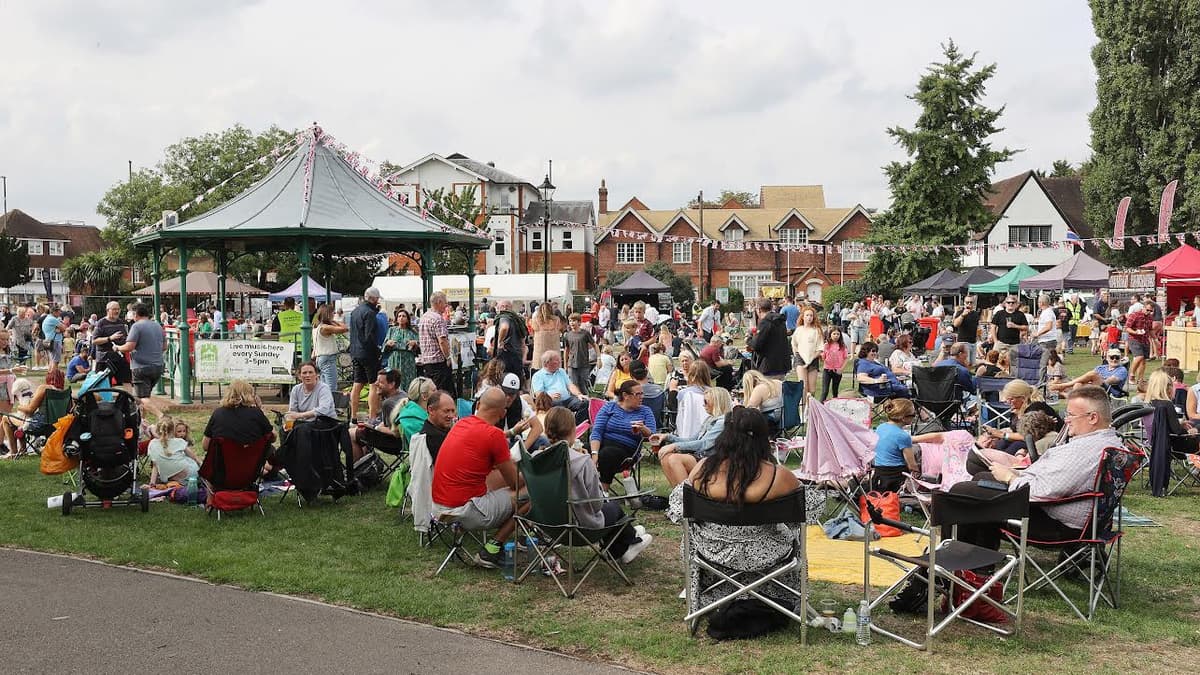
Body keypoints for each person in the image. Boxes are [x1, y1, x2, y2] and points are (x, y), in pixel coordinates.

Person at [953, 386, 1123, 551]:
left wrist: (1010, 477)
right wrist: (1018, 473)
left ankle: (956, 560)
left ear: (1092, 418)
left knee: (961, 493)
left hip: (1056, 524)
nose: (1066, 420)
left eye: (1071, 415)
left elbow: (1040, 491)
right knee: (982, 479)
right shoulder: (1109, 443)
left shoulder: (1085, 451)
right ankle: (980, 558)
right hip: (1072, 516)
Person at [665, 407, 802, 607]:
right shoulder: (780, 476)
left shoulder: (703, 470)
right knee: (794, 533)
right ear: (763, 438)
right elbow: (808, 510)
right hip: (765, 554)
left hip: (711, 552)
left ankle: (713, 590)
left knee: (691, 532)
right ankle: (773, 593)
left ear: (725, 436)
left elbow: (679, 509)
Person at [539, 407, 652, 564]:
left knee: (608, 509)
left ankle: (627, 537)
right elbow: (596, 504)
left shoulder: (537, 458)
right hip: (579, 528)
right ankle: (627, 544)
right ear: (573, 430)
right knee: (612, 507)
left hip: (547, 524)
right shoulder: (582, 461)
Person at [431, 386, 527, 569]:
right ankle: (492, 549)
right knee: (532, 490)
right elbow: (515, 483)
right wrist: (530, 473)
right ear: (503, 413)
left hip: (438, 506)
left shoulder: (461, 424)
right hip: (465, 511)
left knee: (499, 477)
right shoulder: (494, 435)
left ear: (478, 405)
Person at [652, 387, 733, 487]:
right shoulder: (710, 419)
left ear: (717, 402)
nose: (703, 405)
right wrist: (667, 437)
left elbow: (704, 444)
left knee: (674, 459)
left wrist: (675, 446)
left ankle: (687, 493)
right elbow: (693, 439)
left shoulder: (722, 422)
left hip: (712, 461)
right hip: (701, 457)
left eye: (706, 401)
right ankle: (678, 493)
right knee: (665, 457)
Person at [590, 379, 657, 491]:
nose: (642, 397)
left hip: (627, 450)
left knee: (607, 454)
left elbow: (653, 436)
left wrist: (643, 429)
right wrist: (594, 453)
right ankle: (579, 490)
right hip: (602, 444)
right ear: (625, 395)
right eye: (638, 394)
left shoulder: (645, 411)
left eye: (642, 393)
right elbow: (597, 431)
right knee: (580, 452)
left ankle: (603, 492)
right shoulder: (609, 407)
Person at [114, 302, 165, 417]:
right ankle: (142, 420)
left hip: (141, 367)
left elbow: (129, 347)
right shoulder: (158, 326)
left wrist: (117, 348)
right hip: (158, 366)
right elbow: (164, 346)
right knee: (146, 396)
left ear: (136, 314)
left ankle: (162, 416)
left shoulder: (136, 326)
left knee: (142, 398)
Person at [872, 399, 934, 492]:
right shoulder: (903, 436)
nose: (915, 417)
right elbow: (912, 465)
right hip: (896, 477)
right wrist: (919, 473)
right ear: (903, 418)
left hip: (879, 474)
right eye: (913, 415)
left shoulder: (880, 427)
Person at [201, 380, 275, 457]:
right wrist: (260, 410)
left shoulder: (217, 414)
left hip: (224, 462)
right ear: (249, 395)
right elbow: (272, 437)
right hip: (250, 461)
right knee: (270, 449)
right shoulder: (256, 413)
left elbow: (205, 445)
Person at [349, 369, 408, 462]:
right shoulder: (403, 395)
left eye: (380, 382)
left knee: (350, 434)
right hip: (405, 442)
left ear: (392, 384)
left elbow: (394, 431)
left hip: (396, 444)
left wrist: (374, 427)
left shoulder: (389, 403)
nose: (376, 383)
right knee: (361, 432)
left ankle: (360, 467)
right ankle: (368, 464)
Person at [348, 287, 383, 421]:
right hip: (368, 353)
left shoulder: (355, 311)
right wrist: (377, 351)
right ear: (374, 299)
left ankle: (353, 416)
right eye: (377, 299)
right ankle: (372, 416)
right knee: (373, 384)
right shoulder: (370, 313)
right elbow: (369, 336)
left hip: (355, 352)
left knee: (357, 383)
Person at [531, 350, 589, 424]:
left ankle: (576, 425)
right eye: (556, 361)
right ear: (547, 363)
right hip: (552, 402)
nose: (560, 362)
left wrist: (579, 394)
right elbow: (539, 394)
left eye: (559, 360)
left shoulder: (561, 371)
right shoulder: (538, 376)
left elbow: (570, 385)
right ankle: (565, 427)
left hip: (567, 399)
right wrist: (549, 397)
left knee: (584, 403)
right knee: (559, 407)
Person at [415, 291, 455, 396]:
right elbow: (442, 341)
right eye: (445, 303)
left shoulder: (424, 317)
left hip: (427, 361)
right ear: (439, 302)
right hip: (438, 362)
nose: (446, 306)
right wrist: (448, 357)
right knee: (441, 394)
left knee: (430, 392)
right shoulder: (438, 319)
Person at [1050, 347, 1129, 397]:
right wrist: (1088, 382)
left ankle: (1064, 386)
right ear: (1107, 358)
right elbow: (1087, 378)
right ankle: (1066, 395)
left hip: (1108, 391)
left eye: (1117, 357)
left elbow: (1109, 381)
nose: (1114, 359)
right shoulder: (1100, 368)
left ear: (1120, 358)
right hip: (1094, 387)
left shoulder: (1122, 369)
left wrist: (1093, 379)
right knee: (1078, 384)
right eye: (1112, 357)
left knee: (1093, 374)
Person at [147, 416, 200, 485]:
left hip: (166, 478)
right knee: (189, 460)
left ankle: (172, 481)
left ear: (157, 430)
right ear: (173, 431)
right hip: (188, 476)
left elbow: (155, 465)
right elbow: (194, 458)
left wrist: (152, 483)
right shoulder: (179, 442)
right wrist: (201, 465)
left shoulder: (152, 444)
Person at [746, 298, 791, 379]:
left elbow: (756, 345)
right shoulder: (780, 321)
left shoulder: (765, 322)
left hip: (768, 366)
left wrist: (748, 339)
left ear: (759, 309)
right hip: (781, 365)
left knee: (767, 387)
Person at [496, 372, 544, 448]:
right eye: (506, 393)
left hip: (514, 444)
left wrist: (523, 449)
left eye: (512, 394)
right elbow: (488, 436)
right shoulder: (492, 402)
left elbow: (538, 427)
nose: (508, 398)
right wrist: (512, 432)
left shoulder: (519, 401)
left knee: (543, 441)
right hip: (496, 445)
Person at [312, 303, 349, 392]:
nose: (334, 314)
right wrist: (334, 321)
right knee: (331, 387)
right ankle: (330, 401)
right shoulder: (325, 328)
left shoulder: (316, 326)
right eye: (333, 313)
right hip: (328, 358)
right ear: (328, 314)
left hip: (320, 357)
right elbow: (345, 328)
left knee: (323, 387)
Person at [491, 299, 528, 383]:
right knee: (517, 381)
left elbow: (504, 327)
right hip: (517, 354)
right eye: (502, 306)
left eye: (505, 306)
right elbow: (523, 339)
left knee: (504, 380)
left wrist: (500, 342)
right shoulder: (517, 319)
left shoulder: (504, 317)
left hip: (506, 353)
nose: (504, 308)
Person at [675, 360, 713, 439]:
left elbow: (680, 416)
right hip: (708, 433)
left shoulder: (683, 393)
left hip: (687, 432)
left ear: (691, 375)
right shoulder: (714, 393)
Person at [790, 305, 822, 399]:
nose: (809, 317)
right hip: (800, 359)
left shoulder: (816, 331)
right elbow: (794, 343)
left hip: (813, 359)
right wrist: (796, 353)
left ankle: (810, 405)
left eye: (811, 315)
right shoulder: (798, 330)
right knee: (803, 386)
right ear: (803, 317)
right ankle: (803, 406)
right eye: (807, 315)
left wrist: (811, 360)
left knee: (812, 390)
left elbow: (820, 348)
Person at [394, 376, 437, 442]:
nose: (438, 393)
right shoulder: (413, 422)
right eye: (434, 390)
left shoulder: (412, 414)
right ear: (424, 396)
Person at [419, 390, 458, 462]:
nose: (451, 416)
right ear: (431, 410)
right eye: (446, 411)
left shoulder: (445, 432)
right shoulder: (431, 439)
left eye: (453, 411)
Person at [990, 294, 1028, 362]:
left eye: (1013, 302)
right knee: (994, 361)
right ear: (1005, 303)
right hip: (1001, 343)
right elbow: (993, 327)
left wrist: (1015, 326)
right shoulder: (999, 313)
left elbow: (1026, 327)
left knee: (1014, 363)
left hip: (1014, 344)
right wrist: (995, 341)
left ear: (1016, 304)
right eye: (1008, 302)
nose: (1010, 304)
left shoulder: (1020, 314)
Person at [1125, 301, 1153, 387]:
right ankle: (1131, 375)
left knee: (1143, 361)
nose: (1149, 312)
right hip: (1134, 338)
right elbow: (1127, 328)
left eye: (1151, 311)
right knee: (1139, 357)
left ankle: (1140, 379)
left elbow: (1150, 329)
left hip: (1145, 340)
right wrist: (1136, 332)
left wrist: (1155, 339)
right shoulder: (1135, 315)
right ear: (1143, 307)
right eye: (1147, 310)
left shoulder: (1150, 317)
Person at [530, 302, 561, 373]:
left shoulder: (535, 319)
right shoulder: (556, 320)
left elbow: (533, 331)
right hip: (553, 348)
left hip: (540, 350)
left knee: (540, 369)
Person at [820, 328, 848, 401]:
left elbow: (846, 358)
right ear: (830, 335)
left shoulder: (842, 346)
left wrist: (841, 369)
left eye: (838, 334)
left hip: (837, 371)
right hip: (827, 370)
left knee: (835, 390)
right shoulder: (826, 345)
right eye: (834, 334)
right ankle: (820, 405)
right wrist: (821, 356)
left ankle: (834, 405)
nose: (836, 336)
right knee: (825, 391)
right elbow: (823, 358)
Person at [951, 296, 980, 365]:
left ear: (973, 304)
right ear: (964, 303)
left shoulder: (975, 314)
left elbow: (976, 327)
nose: (969, 304)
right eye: (967, 302)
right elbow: (955, 324)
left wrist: (978, 338)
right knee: (966, 363)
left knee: (973, 364)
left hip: (973, 342)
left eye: (971, 302)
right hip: (963, 342)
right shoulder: (960, 312)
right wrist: (962, 315)